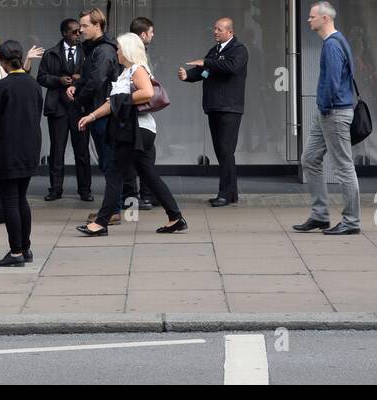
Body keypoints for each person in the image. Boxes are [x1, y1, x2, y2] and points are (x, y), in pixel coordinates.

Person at [75, 33, 186, 236]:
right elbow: (112, 103)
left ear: (127, 51)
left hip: (135, 131)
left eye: (118, 48)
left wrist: (120, 101)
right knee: (148, 174)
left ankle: (101, 222)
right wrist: (91, 116)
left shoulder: (137, 69)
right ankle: (175, 217)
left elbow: (147, 93)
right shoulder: (126, 72)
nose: (116, 51)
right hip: (137, 130)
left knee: (115, 172)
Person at [292, 1, 362, 236]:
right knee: (310, 158)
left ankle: (351, 221)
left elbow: (332, 80)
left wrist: (326, 105)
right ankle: (320, 215)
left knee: (343, 166)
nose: (308, 20)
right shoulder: (336, 41)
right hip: (328, 111)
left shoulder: (332, 45)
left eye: (312, 17)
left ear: (325, 18)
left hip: (333, 112)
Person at [0, 40, 42, 266]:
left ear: (3, 62)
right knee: (21, 199)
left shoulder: (3, 86)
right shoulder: (33, 84)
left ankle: (16, 252)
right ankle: (26, 248)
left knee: (10, 201)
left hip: (8, 150)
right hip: (29, 149)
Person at [179, 17, 248, 207]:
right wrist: (188, 76)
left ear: (230, 32)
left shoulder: (239, 49)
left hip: (229, 108)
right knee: (221, 151)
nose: (215, 32)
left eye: (218, 29)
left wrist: (206, 63)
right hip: (214, 106)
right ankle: (231, 193)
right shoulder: (215, 51)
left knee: (226, 150)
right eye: (214, 29)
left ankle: (225, 193)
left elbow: (231, 68)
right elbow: (205, 72)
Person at [71, 8, 128, 219]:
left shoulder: (103, 50)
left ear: (98, 26)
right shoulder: (94, 48)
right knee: (109, 162)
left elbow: (97, 81)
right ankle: (114, 208)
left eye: (85, 26)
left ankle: (114, 210)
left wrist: (78, 100)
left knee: (109, 163)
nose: (81, 30)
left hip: (104, 114)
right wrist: (76, 86)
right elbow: (89, 76)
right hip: (100, 111)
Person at [37, 19, 91, 201]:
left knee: (82, 151)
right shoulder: (51, 53)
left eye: (79, 31)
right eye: (74, 32)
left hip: (80, 107)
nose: (78, 34)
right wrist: (58, 80)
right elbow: (41, 77)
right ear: (64, 33)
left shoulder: (87, 51)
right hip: (58, 108)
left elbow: (94, 75)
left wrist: (80, 78)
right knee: (57, 151)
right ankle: (55, 189)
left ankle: (85, 190)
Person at [128, 16, 157, 209]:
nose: (153, 36)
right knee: (138, 161)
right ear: (143, 34)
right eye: (151, 32)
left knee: (145, 158)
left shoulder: (139, 54)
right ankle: (137, 198)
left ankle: (145, 196)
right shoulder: (135, 57)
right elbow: (145, 89)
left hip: (143, 120)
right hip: (136, 119)